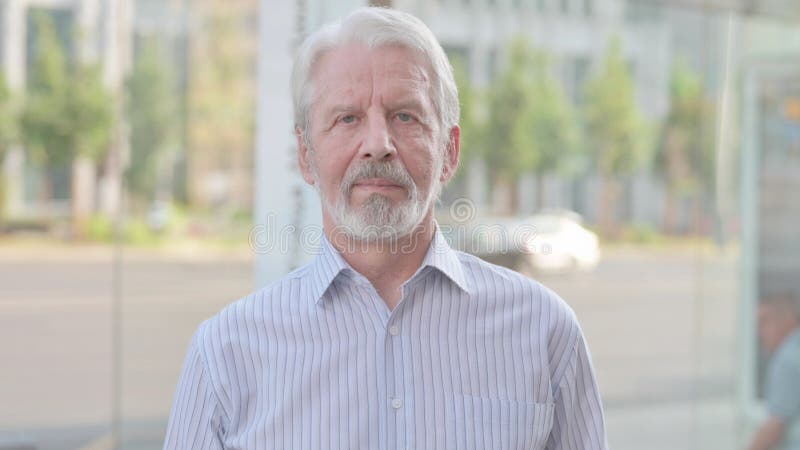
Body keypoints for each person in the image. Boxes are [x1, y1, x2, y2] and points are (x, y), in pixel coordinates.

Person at [164, 7, 608, 449]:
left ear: (449, 152)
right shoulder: (226, 354)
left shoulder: (543, 333)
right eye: (347, 118)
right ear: (305, 155)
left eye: (405, 117)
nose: (377, 145)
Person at [747, 292, 800, 450]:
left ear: (787, 320)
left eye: (764, 322)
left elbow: (775, 426)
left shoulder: (787, 357)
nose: (760, 333)